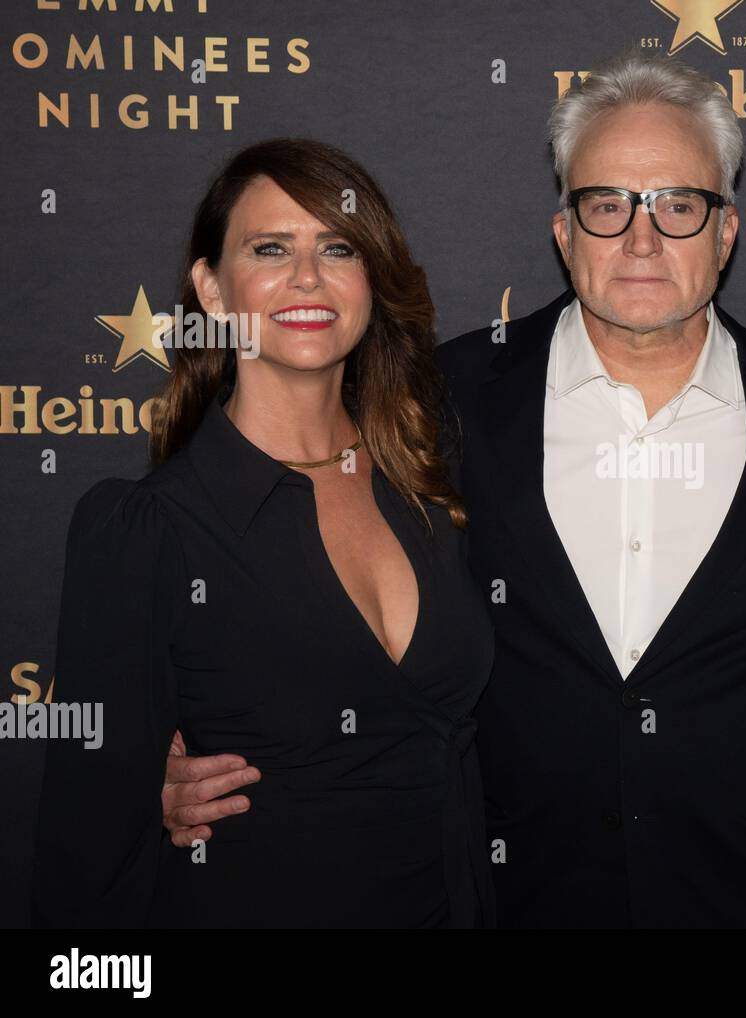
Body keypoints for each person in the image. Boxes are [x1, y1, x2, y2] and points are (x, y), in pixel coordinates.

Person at [162, 54, 746, 928]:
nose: (641, 240)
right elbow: (305, 583)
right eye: (606, 205)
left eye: (679, 206)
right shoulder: (440, 401)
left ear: (727, 231)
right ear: (564, 231)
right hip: (505, 899)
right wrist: (159, 759)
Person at [33, 138, 494, 928]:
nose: (308, 276)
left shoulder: (432, 490)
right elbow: (88, 865)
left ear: (370, 282)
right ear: (213, 290)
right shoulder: (152, 530)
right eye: (270, 248)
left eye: (337, 247)